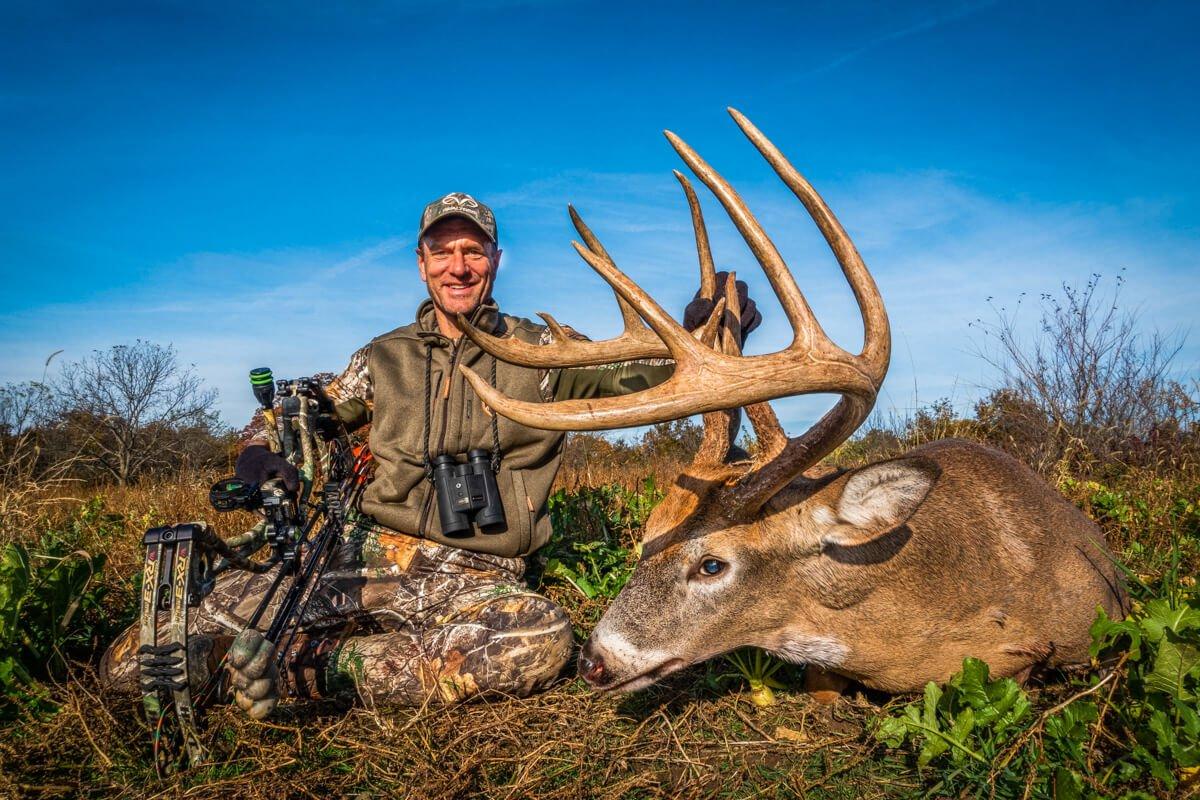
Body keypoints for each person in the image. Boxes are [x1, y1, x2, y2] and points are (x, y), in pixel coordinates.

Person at [100, 192, 759, 716]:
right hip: (354, 560)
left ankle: (309, 670)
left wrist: (699, 329)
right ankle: (287, 658)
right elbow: (297, 409)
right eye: (442, 252)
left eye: (473, 251)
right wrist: (258, 454)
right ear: (421, 264)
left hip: (473, 575)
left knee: (536, 644)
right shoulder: (382, 359)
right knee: (140, 656)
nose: (458, 266)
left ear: (495, 261)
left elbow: (644, 378)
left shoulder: (546, 354)